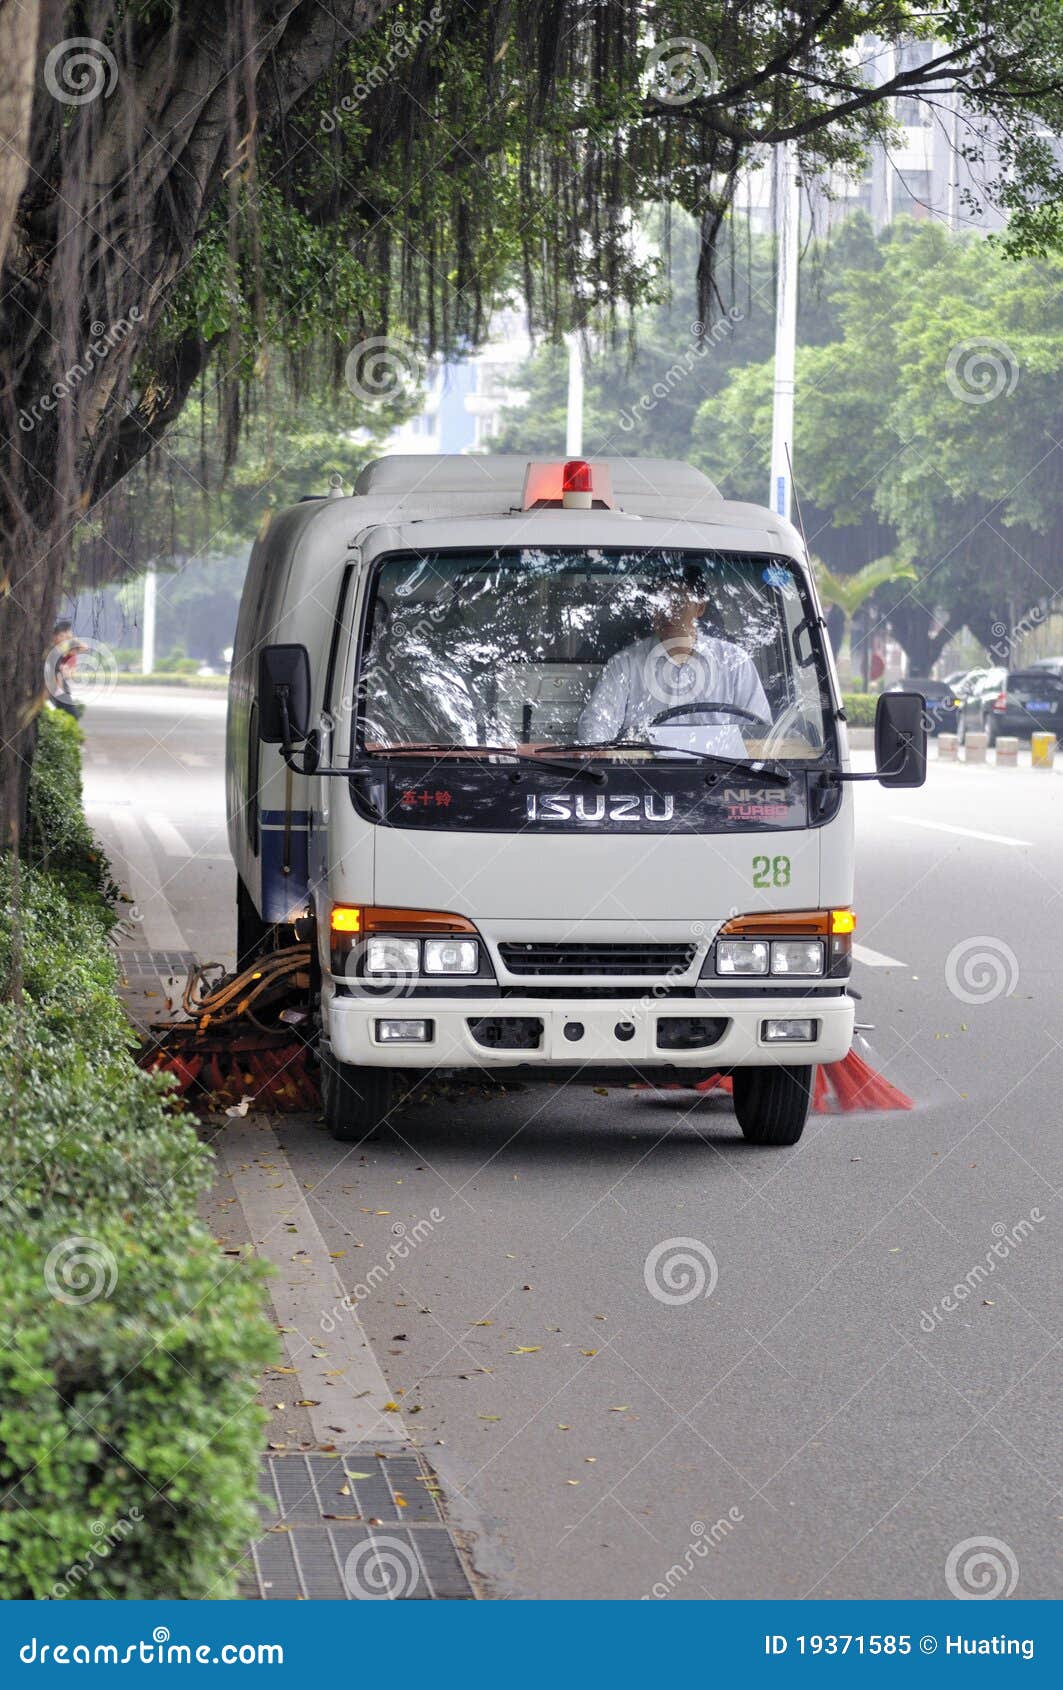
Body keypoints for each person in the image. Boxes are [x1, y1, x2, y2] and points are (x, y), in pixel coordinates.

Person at [576, 561, 771, 757]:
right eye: (659, 603)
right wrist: (600, 755)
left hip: (720, 771)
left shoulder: (735, 663)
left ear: (700, 607)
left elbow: (759, 734)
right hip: (644, 771)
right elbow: (597, 722)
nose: (667, 612)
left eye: (677, 602)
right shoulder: (625, 664)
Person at [47, 619, 86, 719]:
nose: (64, 639)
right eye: (62, 636)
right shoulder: (51, 651)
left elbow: (84, 647)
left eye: (67, 637)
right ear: (55, 636)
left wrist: (71, 639)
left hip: (60, 691)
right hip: (52, 691)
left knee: (71, 716)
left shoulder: (63, 650)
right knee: (69, 716)